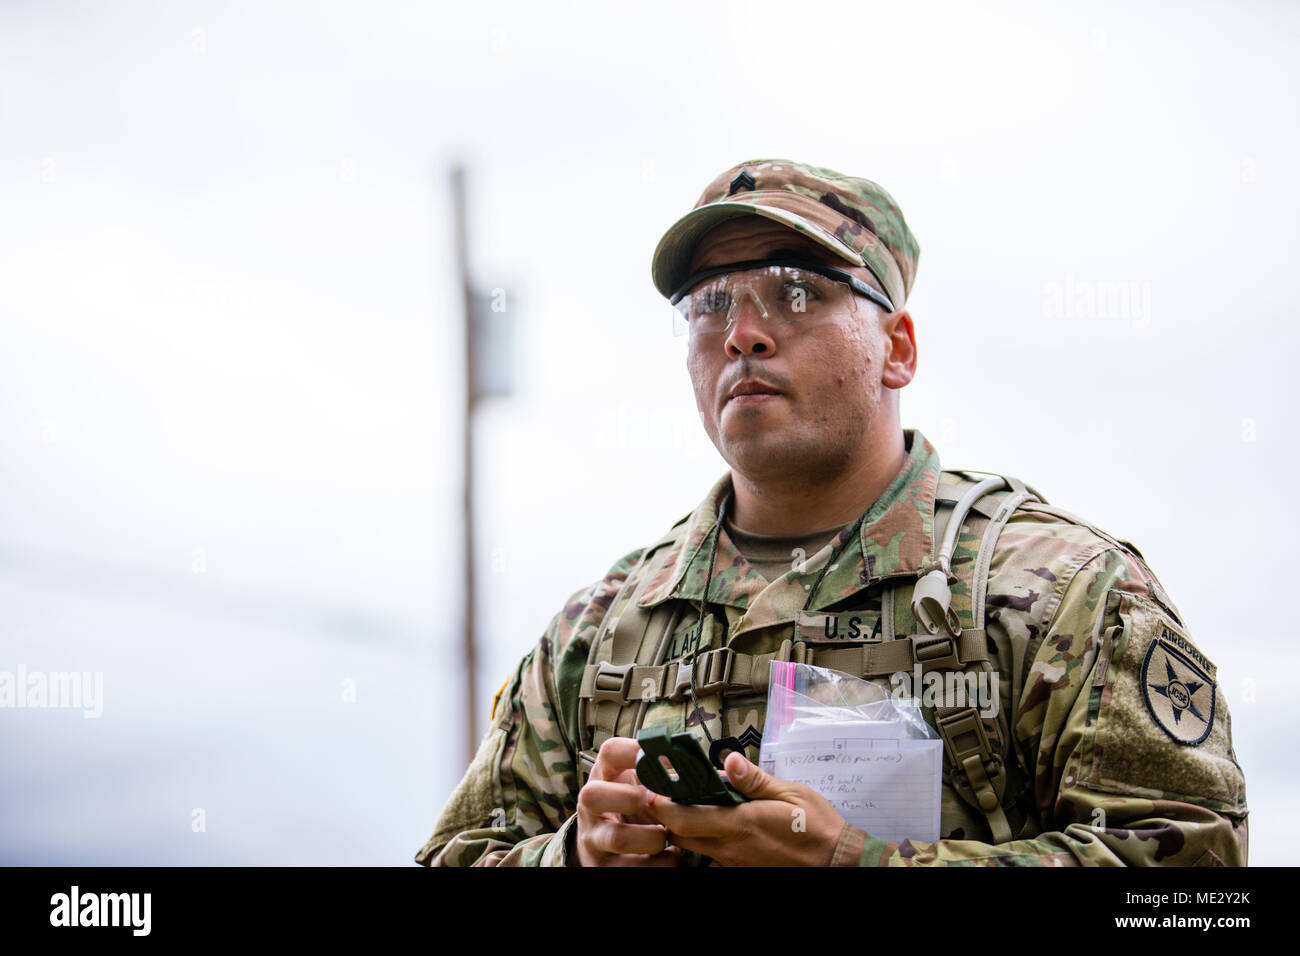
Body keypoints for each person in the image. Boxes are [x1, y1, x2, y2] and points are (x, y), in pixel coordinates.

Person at [414, 159, 1248, 867]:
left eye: (798, 293)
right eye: (709, 304)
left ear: (898, 348)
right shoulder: (596, 636)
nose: (743, 333)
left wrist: (855, 858)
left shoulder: (1063, 593)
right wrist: (578, 855)